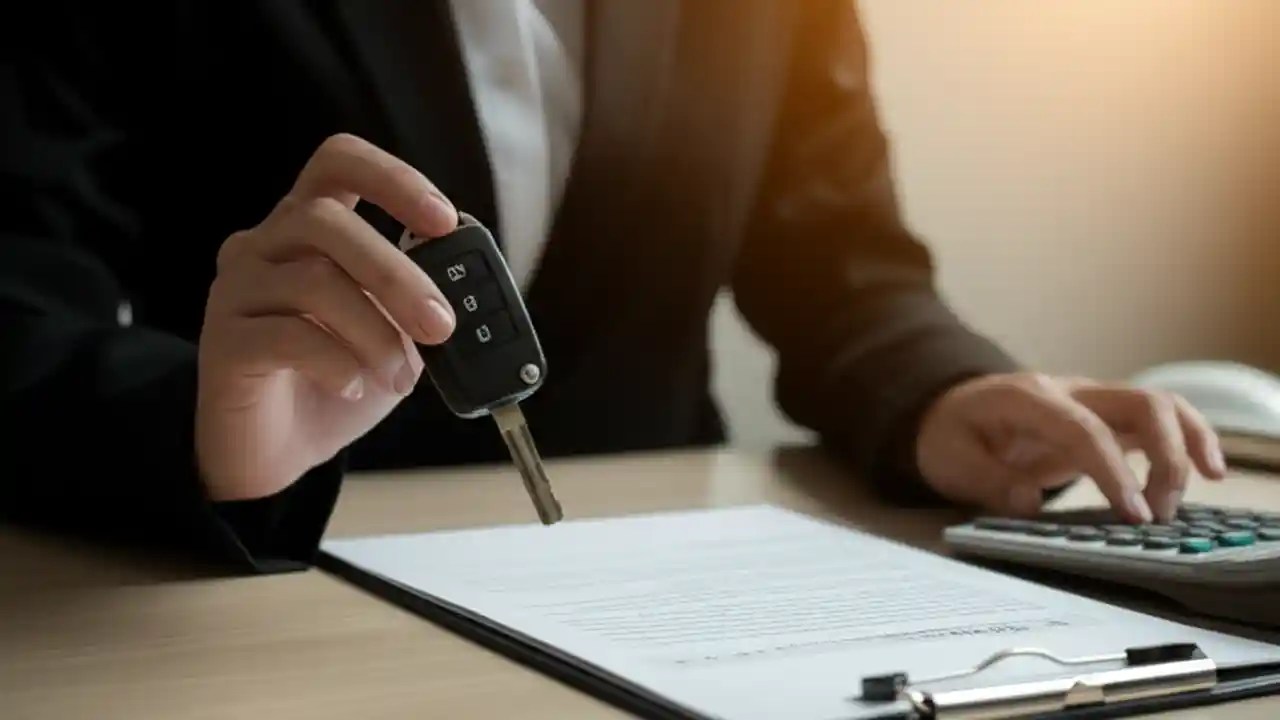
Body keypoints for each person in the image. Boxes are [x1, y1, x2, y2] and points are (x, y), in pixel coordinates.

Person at [0, 1, 1225, 573]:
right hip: (262, 584)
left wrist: (944, 389)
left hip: (661, 575)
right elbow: (16, 310)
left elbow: (842, 265)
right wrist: (202, 433)